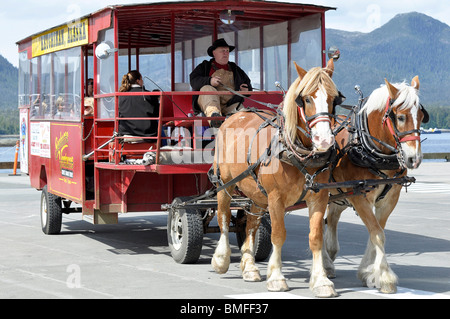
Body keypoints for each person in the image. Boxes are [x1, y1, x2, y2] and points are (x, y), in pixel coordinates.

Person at [190, 38, 252, 127]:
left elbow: (248, 85)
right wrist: (209, 81)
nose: (226, 53)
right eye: (222, 51)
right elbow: (193, 81)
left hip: (231, 104)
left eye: (227, 51)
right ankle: (215, 117)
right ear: (214, 53)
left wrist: (246, 90)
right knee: (207, 88)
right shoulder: (204, 67)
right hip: (209, 103)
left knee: (244, 118)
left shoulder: (235, 69)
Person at [118, 70, 159, 139]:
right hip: (147, 134)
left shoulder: (121, 96)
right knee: (161, 130)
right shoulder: (149, 95)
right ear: (138, 81)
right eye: (141, 79)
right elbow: (157, 113)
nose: (142, 81)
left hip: (126, 132)